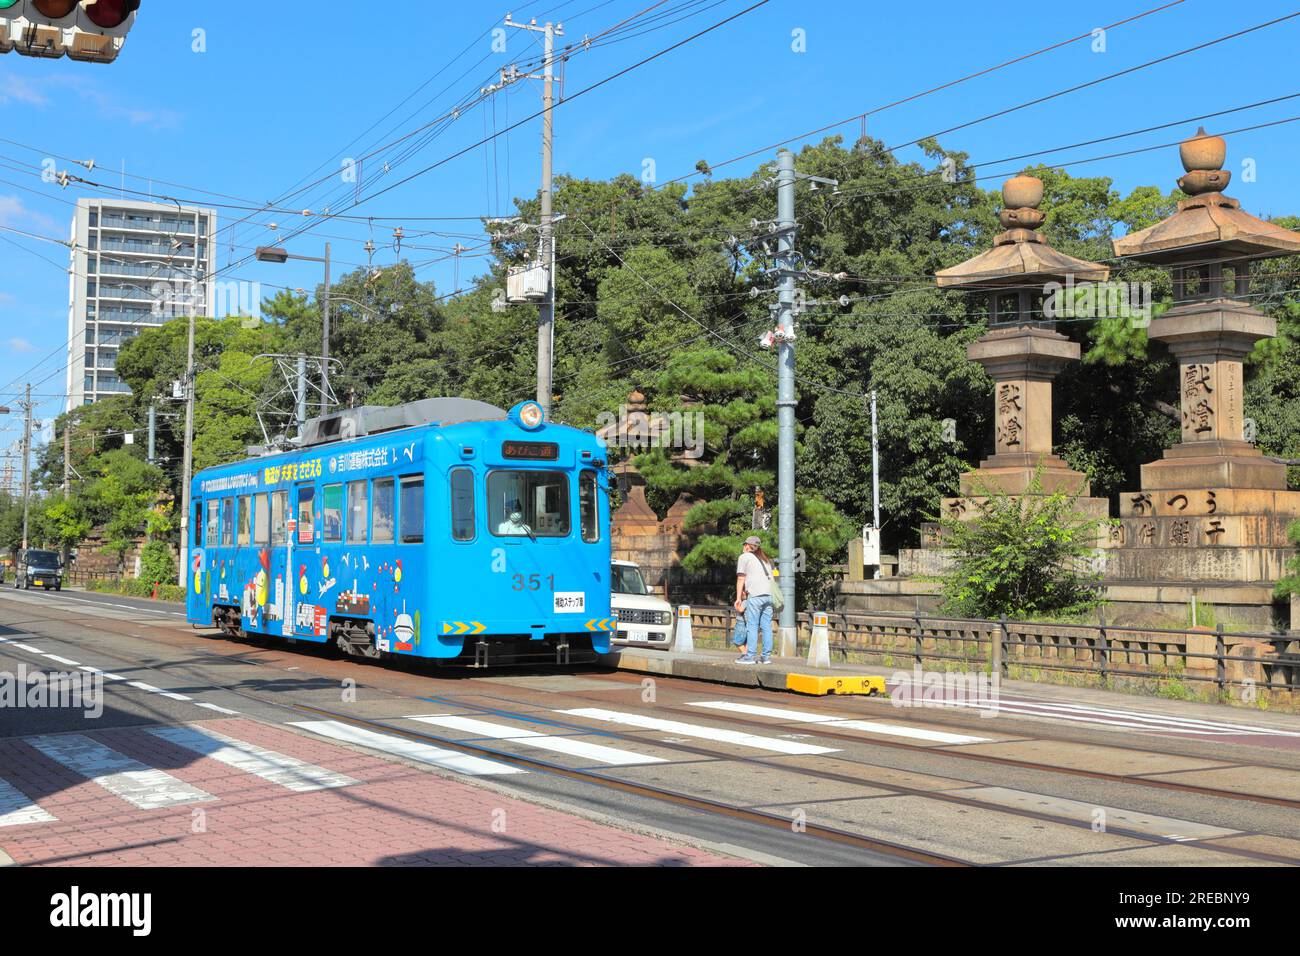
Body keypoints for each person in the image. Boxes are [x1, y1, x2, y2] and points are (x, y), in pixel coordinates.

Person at [734, 535, 775, 664]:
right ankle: (765, 657)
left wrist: (738, 598)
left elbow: (741, 578)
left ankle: (749, 656)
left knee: (752, 625)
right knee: (766, 626)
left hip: (756, 596)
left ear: (747, 545)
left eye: (744, 545)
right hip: (769, 596)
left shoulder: (744, 557)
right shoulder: (765, 559)